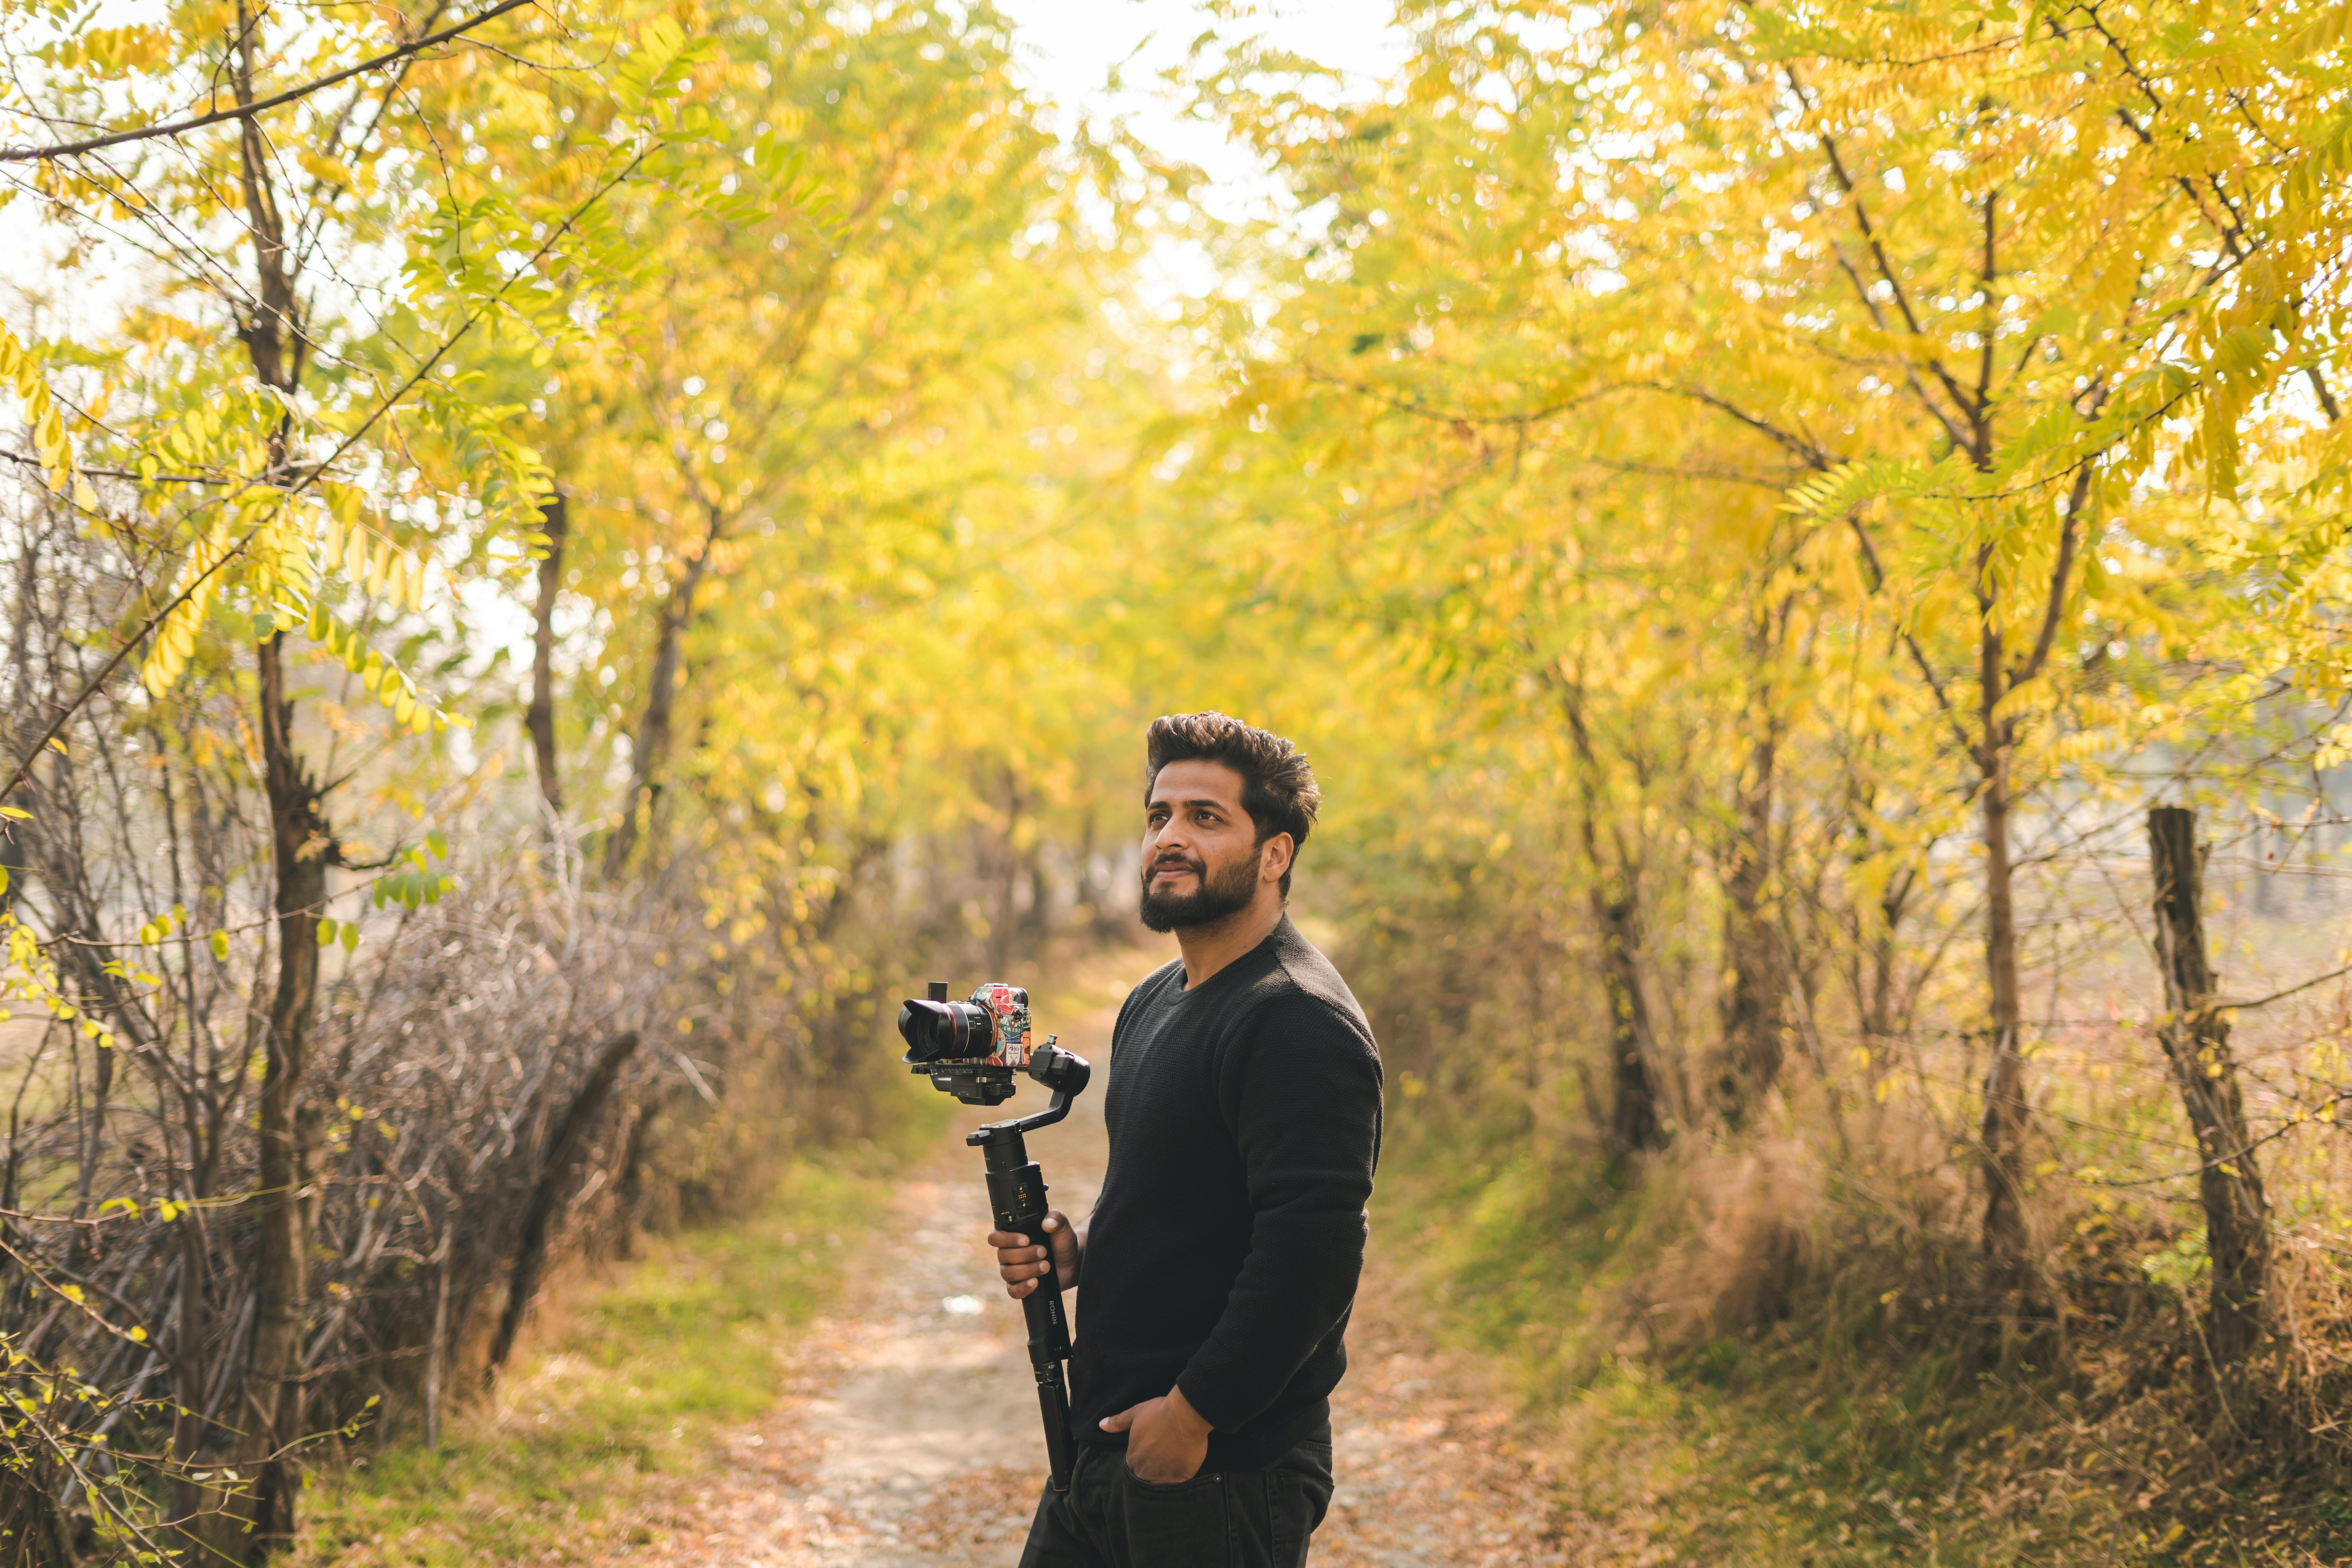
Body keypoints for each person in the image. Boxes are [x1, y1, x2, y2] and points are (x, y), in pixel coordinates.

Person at [989, 712, 1384, 1568]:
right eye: (1159, 815)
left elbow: (1313, 1252)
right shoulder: (1156, 998)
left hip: (1217, 1469)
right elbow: (1188, 1200)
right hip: (1103, 1451)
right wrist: (1085, 1255)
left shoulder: (1296, 1018)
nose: (1170, 837)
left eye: (1206, 817)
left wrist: (1196, 1413)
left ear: (1274, 855)